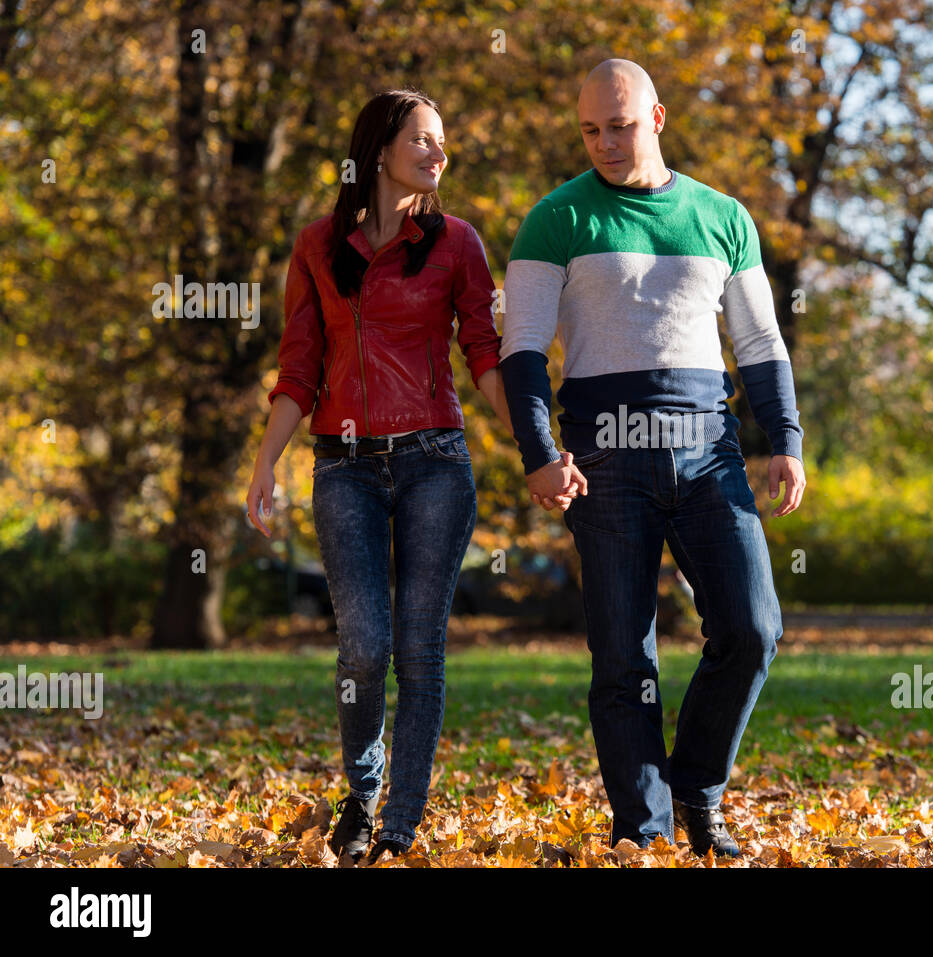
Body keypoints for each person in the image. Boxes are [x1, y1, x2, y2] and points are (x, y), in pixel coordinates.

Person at [499, 59, 808, 857]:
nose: (605, 142)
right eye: (590, 129)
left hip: (710, 455)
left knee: (752, 627)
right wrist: (540, 454)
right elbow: (523, 353)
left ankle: (696, 790)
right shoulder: (555, 219)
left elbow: (760, 342)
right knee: (622, 657)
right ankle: (643, 831)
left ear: (659, 118)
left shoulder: (721, 216)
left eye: (621, 124)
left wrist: (785, 439)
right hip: (604, 466)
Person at [246, 88, 518, 865]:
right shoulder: (316, 246)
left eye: (443, 141)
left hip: (435, 461)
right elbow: (298, 367)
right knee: (363, 645)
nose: (439, 153)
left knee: (418, 648)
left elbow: (486, 357)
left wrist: (538, 446)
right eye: (423, 139)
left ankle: (400, 816)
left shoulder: (458, 242)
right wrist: (265, 464)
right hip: (344, 468)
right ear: (379, 150)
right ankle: (361, 794)